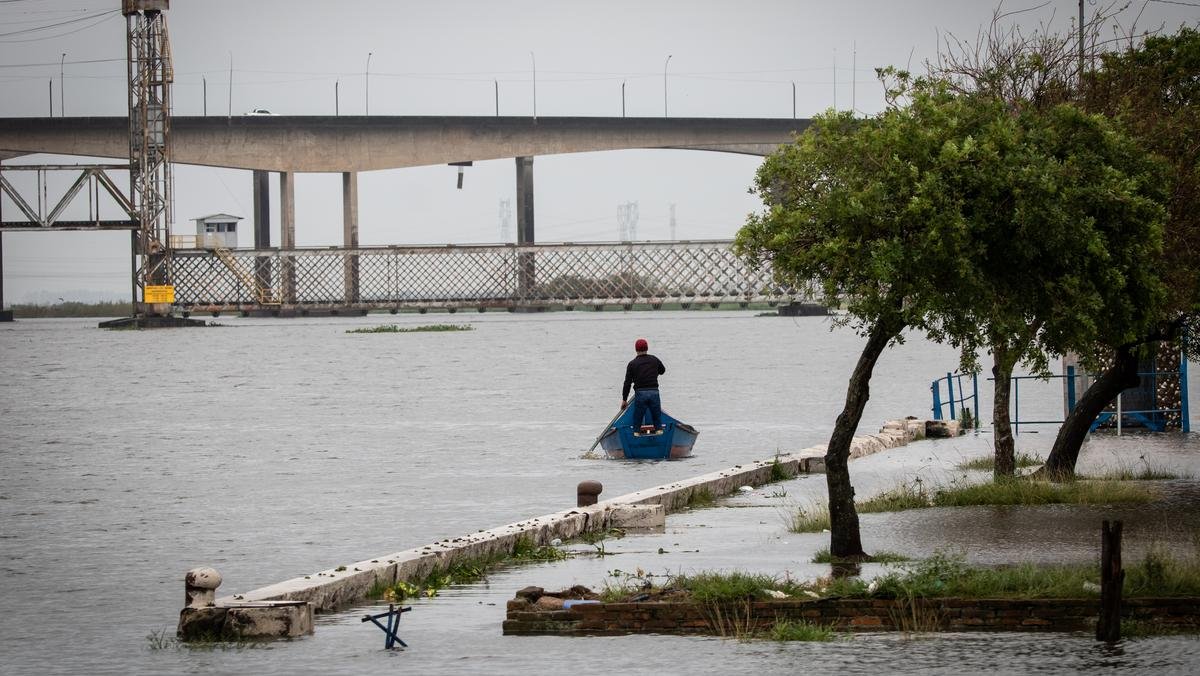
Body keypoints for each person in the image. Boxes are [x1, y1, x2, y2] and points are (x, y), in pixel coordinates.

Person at [621, 337, 666, 431]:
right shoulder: (654, 359)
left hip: (640, 394)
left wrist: (624, 400)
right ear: (647, 348)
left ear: (636, 349)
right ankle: (659, 432)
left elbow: (627, 383)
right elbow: (663, 370)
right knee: (656, 416)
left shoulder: (632, 364)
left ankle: (636, 434)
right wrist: (654, 372)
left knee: (638, 417)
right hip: (654, 392)